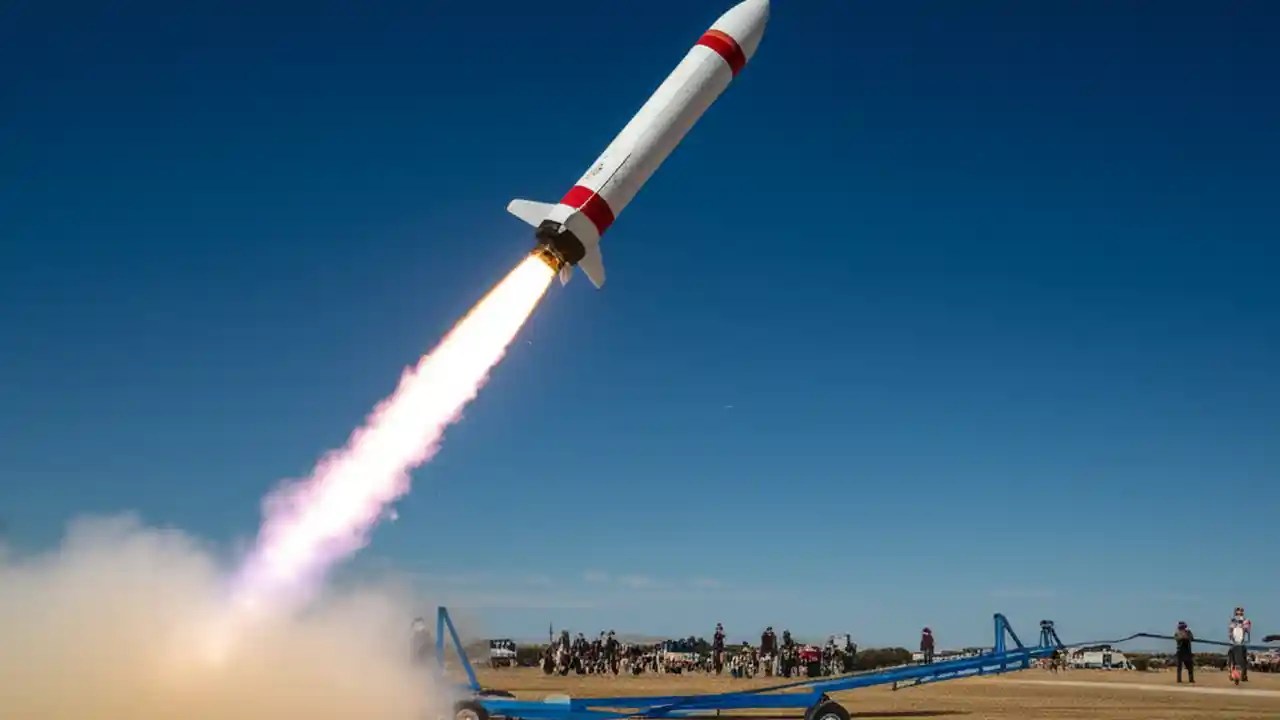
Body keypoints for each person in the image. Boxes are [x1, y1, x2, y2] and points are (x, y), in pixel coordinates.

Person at [1229, 606, 1252, 682]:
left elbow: (1247, 630)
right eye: (1238, 612)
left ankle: (1244, 675)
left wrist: (1245, 625)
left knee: (1243, 661)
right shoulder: (1233, 621)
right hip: (1234, 644)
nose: (1239, 614)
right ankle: (1232, 674)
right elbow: (1230, 631)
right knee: (1232, 660)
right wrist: (1231, 639)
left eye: (1241, 612)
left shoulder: (1245, 621)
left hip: (1241, 644)